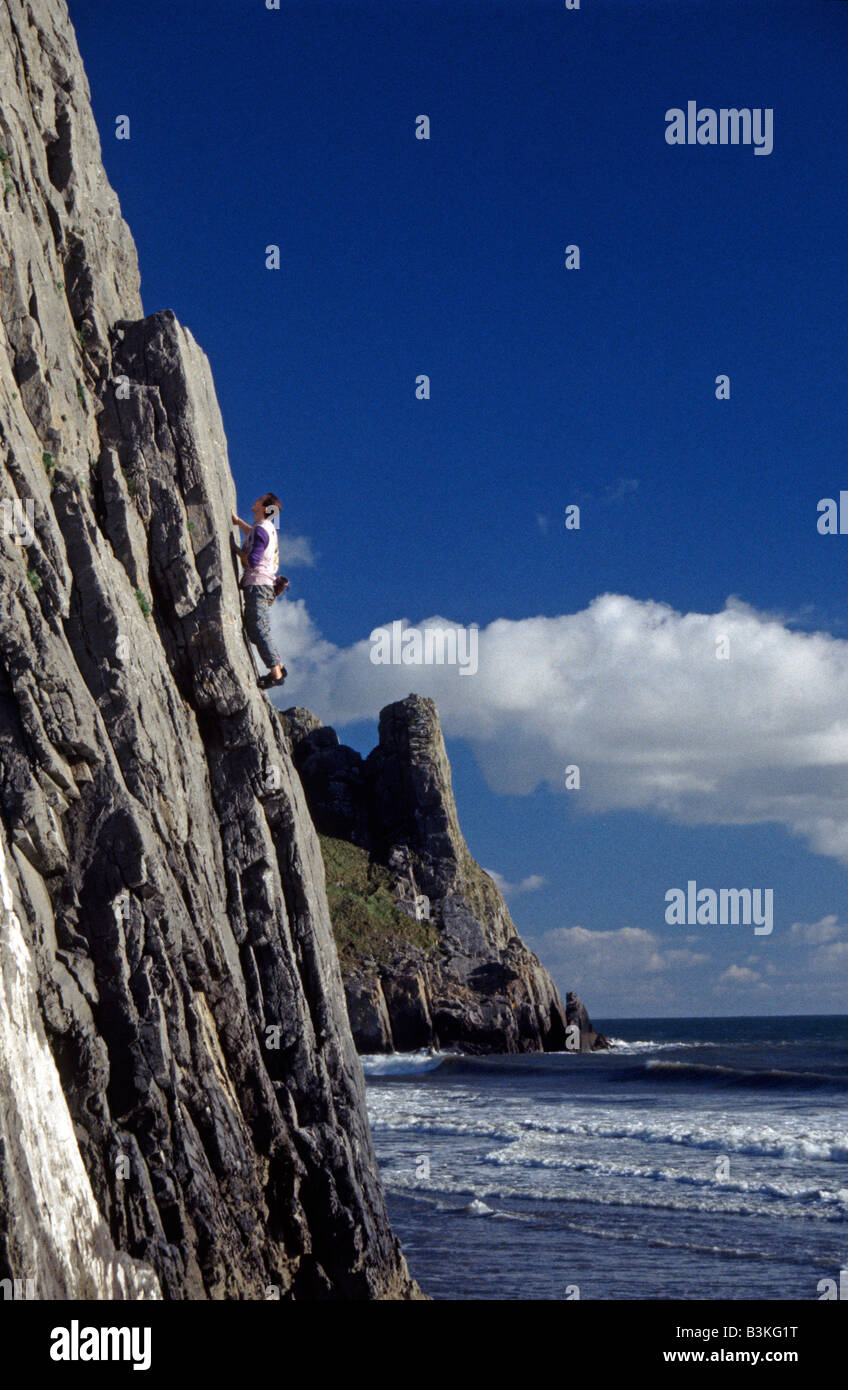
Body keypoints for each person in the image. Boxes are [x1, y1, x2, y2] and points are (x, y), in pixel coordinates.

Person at [232, 493, 288, 689]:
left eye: (259, 500)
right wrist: (239, 523)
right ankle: (279, 664)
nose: (255, 500)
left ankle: (276, 674)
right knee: (256, 628)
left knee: (257, 628)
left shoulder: (262, 530)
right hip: (264, 585)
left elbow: (252, 561)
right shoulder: (266, 528)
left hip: (258, 584)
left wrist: (234, 550)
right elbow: (254, 536)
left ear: (265, 508)